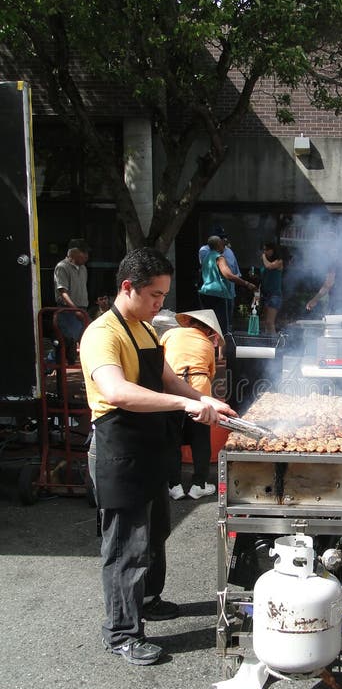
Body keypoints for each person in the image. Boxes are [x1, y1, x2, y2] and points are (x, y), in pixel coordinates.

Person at [80, 247, 237, 667]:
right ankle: (121, 632)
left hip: (148, 450)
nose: (160, 304)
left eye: (164, 296)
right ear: (127, 287)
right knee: (125, 547)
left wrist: (205, 399)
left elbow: (168, 378)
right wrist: (182, 407)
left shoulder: (147, 329)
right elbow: (116, 392)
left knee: (154, 535)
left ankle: (148, 601)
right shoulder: (102, 334)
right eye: (154, 296)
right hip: (118, 452)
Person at [162, 309, 224, 501]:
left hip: (172, 386)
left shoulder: (170, 334)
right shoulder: (206, 343)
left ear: (188, 321)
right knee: (200, 439)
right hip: (199, 388)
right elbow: (211, 372)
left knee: (171, 438)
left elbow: (159, 359)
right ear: (209, 331)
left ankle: (174, 485)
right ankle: (199, 484)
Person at [199, 236, 255, 349]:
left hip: (205, 293)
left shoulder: (206, 257)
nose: (223, 245)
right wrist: (246, 284)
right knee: (222, 327)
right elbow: (228, 275)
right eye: (221, 243)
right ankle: (221, 356)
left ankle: (209, 352)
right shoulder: (219, 258)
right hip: (219, 294)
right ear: (218, 245)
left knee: (210, 325)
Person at [53, 238, 90, 365]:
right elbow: (63, 292)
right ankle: (51, 363)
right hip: (68, 310)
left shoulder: (83, 269)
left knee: (87, 340)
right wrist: (75, 310)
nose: (86, 256)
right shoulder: (62, 267)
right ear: (73, 253)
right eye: (83, 253)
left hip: (82, 308)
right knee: (67, 342)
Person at [260, 241, 284, 334]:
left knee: (270, 322)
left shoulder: (279, 261)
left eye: (266, 250)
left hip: (274, 295)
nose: (264, 252)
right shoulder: (265, 262)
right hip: (266, 294)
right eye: (264, 250)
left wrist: (263, 257)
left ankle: (273, 344)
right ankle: (267, 342)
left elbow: (269, 266)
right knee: (266, 323)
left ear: (273, 250)